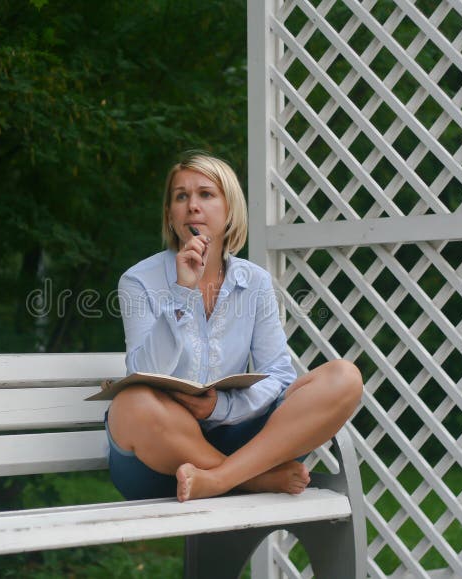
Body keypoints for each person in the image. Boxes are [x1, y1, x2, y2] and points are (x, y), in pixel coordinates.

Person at [106, 153, 362, 502]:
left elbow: (279, 376)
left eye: (206, 194)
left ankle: (219, 478)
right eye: (181, 197)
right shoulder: (138, 280)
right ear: (170, 215)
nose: (192, 206)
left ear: (230, 211)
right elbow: (143, 371)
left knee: (344, 377)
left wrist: (219, 409)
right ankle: (251, 480)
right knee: (130, 403)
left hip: (238, 436)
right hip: (159, 454)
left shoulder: (254, 282)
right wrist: (182, 292)